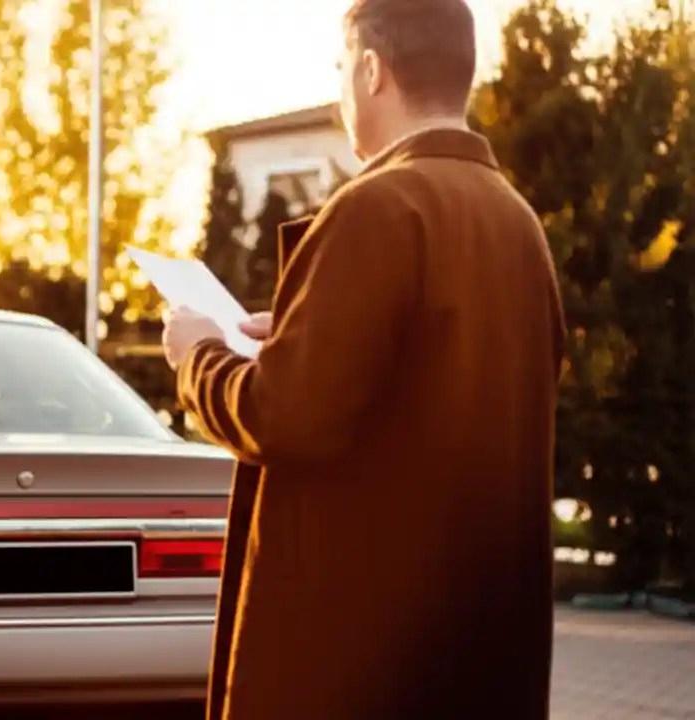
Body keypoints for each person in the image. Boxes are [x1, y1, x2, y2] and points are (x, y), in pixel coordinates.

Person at [162, 0, 566, 717]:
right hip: (480, 657)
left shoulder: (378, 205)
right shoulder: (517, 222)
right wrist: (295, 333)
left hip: (363, 660)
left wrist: (198, 358)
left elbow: (283, 415)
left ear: (372, 70)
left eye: (342, 66)